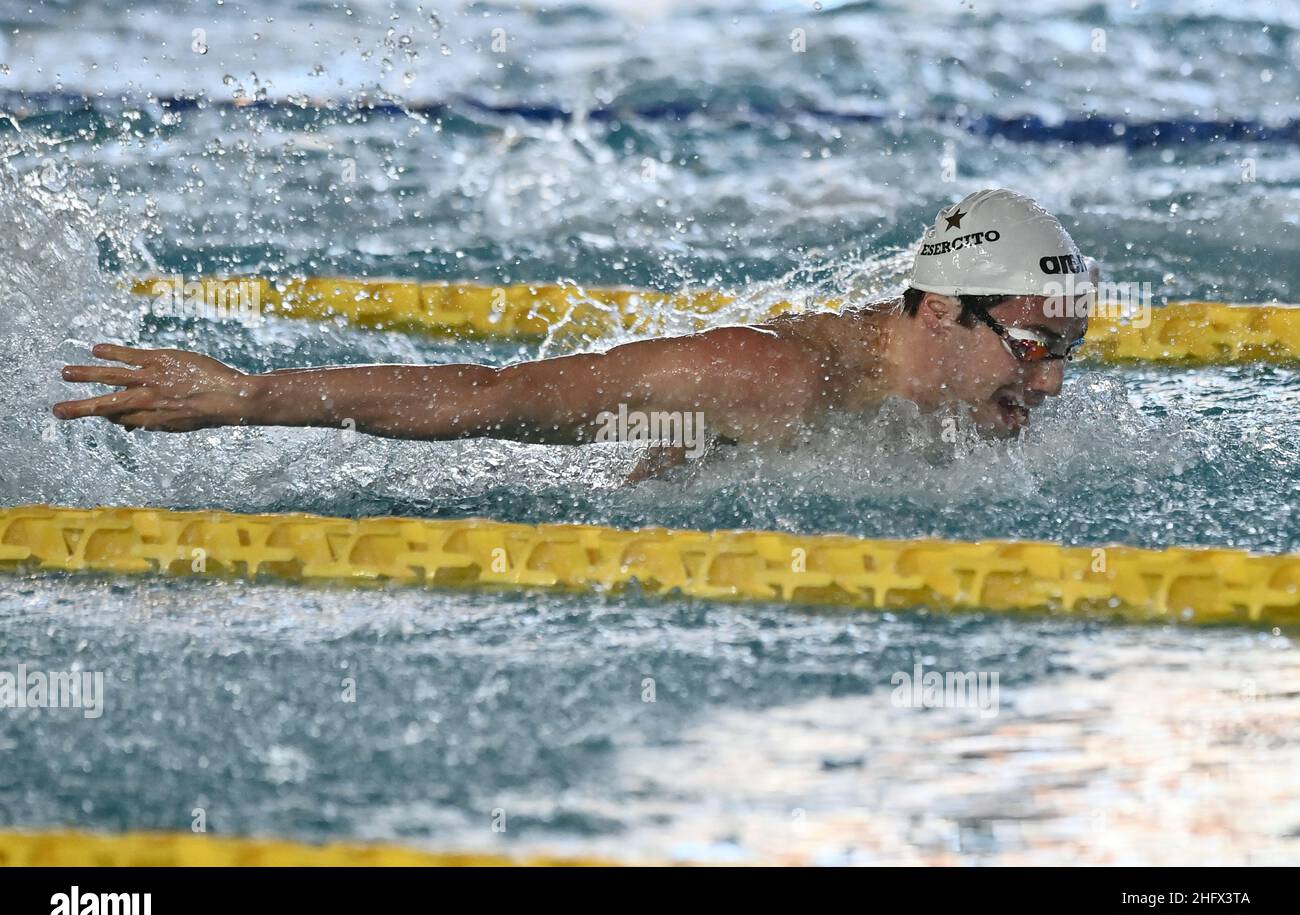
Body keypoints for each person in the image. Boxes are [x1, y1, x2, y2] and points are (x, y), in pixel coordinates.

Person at [53, 188, 1094, 477]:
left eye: (1067, 353)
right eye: (1036, 349)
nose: (1048, 387)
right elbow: (491, 396)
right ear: (941, 309)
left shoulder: (962, 410)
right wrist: (246, 396)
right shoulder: (766, 379)